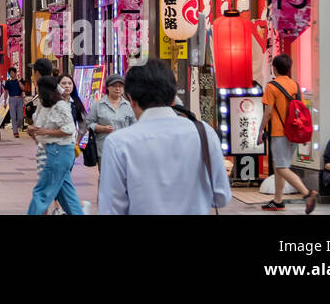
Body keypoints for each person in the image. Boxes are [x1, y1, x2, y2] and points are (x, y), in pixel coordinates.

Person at [97, 59, 231, 215]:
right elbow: (221, 197)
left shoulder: (118, 142)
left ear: (130, 99)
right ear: (173, 98)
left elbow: (111, 209)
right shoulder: (204, 132)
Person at [261, 54, 317, 213]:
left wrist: (261, 131)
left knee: (282, 167)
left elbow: (268, 113)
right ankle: (278, 201)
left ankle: (307, 193)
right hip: (293, 131)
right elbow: (300, 109)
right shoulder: (295, 85)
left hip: (279, 132)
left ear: (274, 68)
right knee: (279, 166)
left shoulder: (271, 86)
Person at [25, 75, 83, 215]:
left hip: (60, 151)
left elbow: (69, 131)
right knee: (66, 195)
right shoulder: (44, 105)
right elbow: (40, 133)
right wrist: (35, 132)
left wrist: (42, 131)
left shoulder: (60, 106)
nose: (37, 91)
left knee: (42, 192)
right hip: (54, 151)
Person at [84, 74, 135, 154]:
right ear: (108, 87)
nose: (117, 89)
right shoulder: (98, 105)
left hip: (124, 149)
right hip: (104, 149)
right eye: (114, 86)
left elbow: (134, 126)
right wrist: (101, 128)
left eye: (120, 86)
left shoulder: (129, 106)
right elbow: (88, 123)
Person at [59, 72, 88, 140]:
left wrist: (77, 141)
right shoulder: (53, 102)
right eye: (63, 83)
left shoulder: (76, 103)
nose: (67, 86)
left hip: (70, 143)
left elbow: (83, 126)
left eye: (70, 83)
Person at [0, 67, 24, 138]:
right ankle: (15, 132)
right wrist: (4, 102)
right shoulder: (8, 82)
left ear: (16, 73)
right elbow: (6, 92)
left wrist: (19, 81)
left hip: (19, 99)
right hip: (12, 99)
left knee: (20, 117)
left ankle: (17, 126)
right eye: (10, 73)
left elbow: (23, 88)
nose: (11, 74)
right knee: (13, 116)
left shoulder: (20, 81)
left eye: (13, 73)